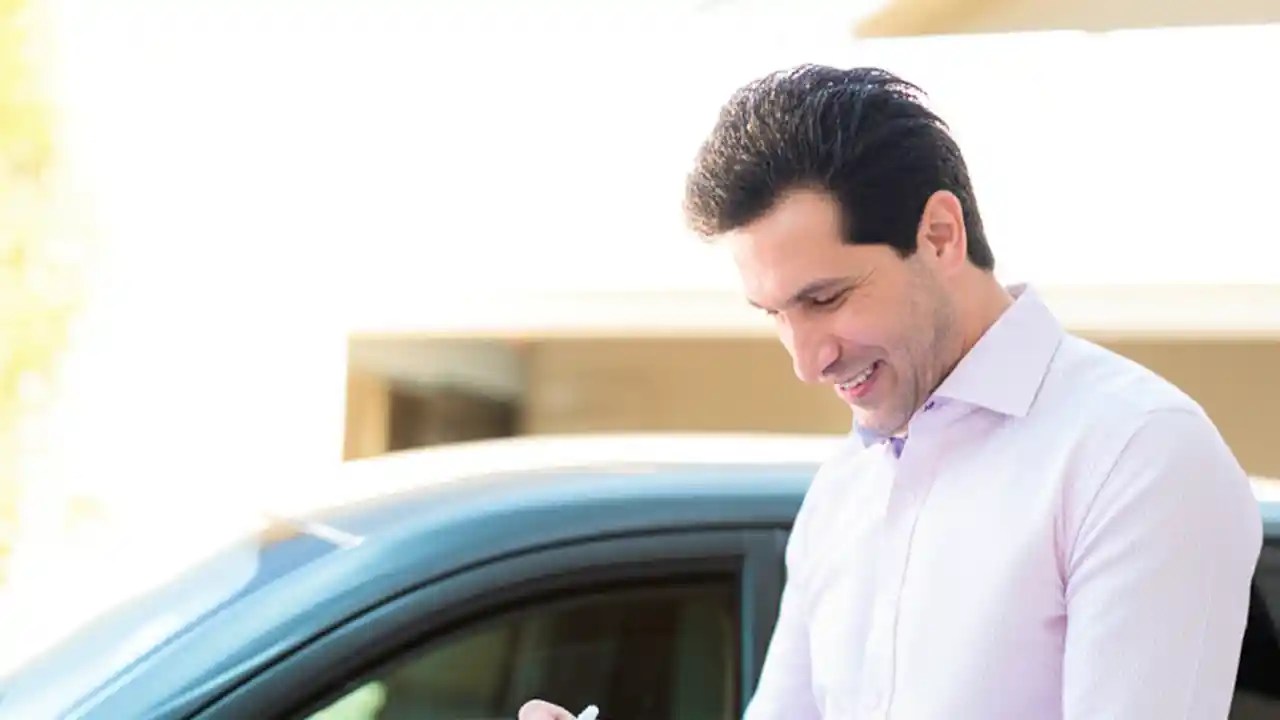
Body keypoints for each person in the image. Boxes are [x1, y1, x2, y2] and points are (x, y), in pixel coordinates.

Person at [520, 65, 1263, 720]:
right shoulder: (845, 488)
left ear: (940, 235)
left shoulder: (1138, 454)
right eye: (776, 315)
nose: (807, 361)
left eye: (826, 298)